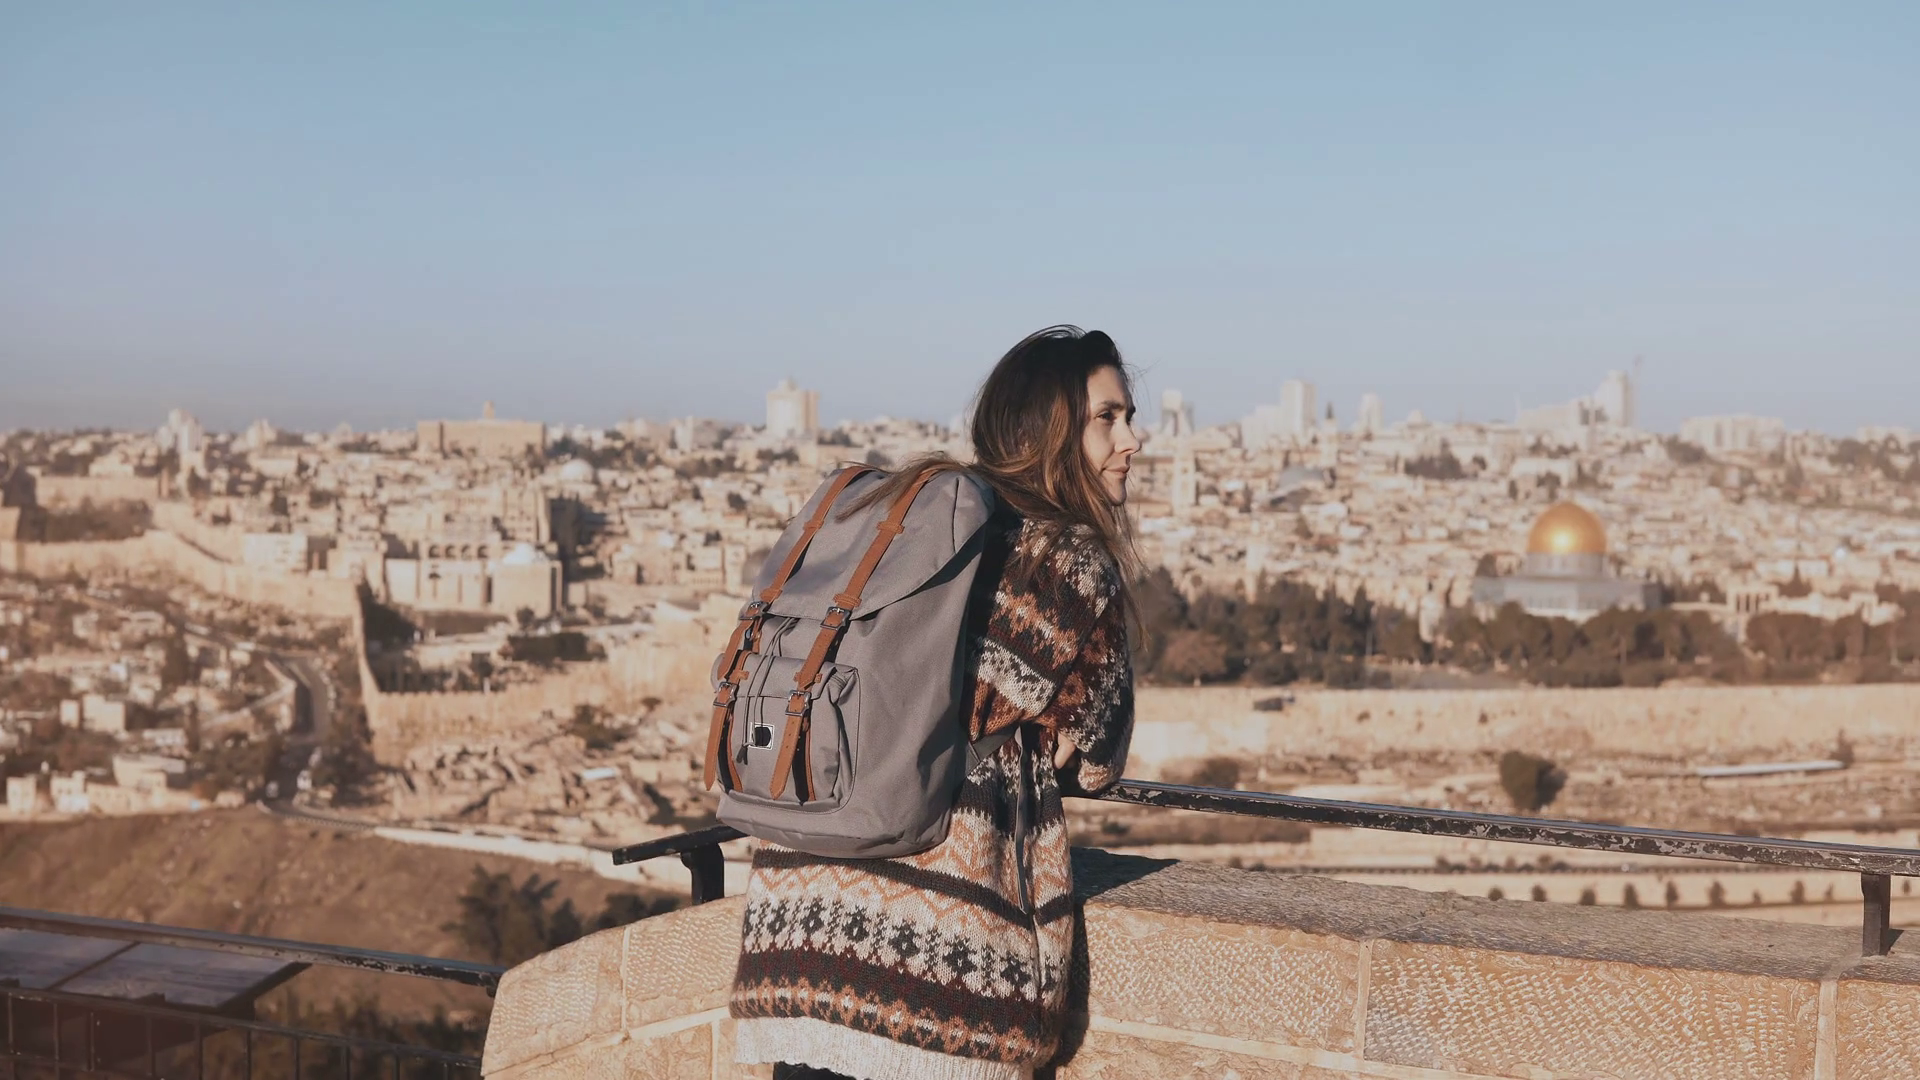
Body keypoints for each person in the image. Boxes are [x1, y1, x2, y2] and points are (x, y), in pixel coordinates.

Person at [731, 326, 1142, 1080]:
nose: (1132, 440)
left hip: (797, 923)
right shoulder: (1069, 559)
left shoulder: (901, 516)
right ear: (1049, 429)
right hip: (934, 970)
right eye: (1107, 418)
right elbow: (1097, 753)